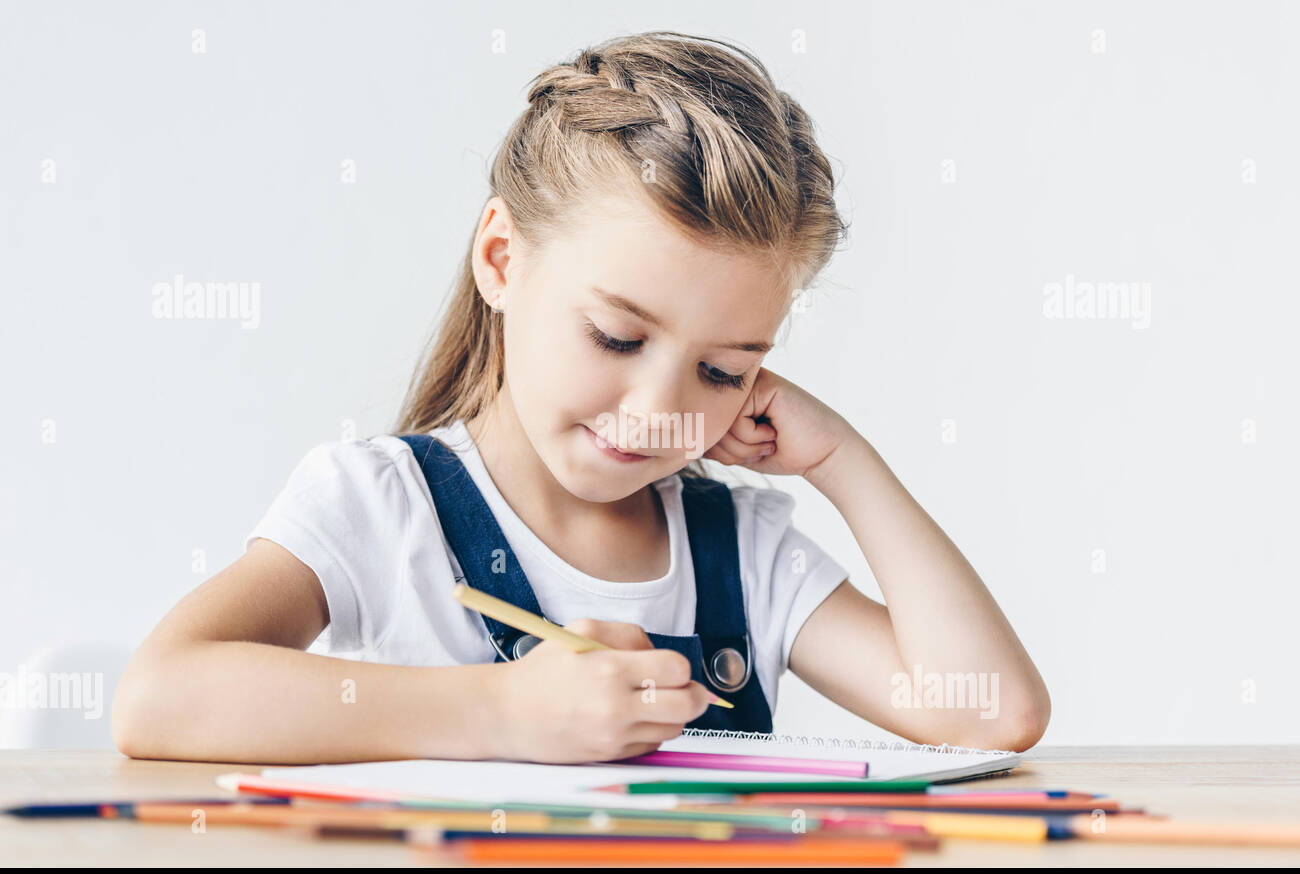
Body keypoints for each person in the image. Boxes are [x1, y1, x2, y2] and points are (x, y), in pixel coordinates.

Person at [113, 31, 1050, 766]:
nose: (656, 410)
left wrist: (844, 462)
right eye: (616, 337)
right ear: (501, 259)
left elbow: (991, 710)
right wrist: (503, 711)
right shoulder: (377, 509)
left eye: (723, 371)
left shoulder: (742, 549)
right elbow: (161, 695)